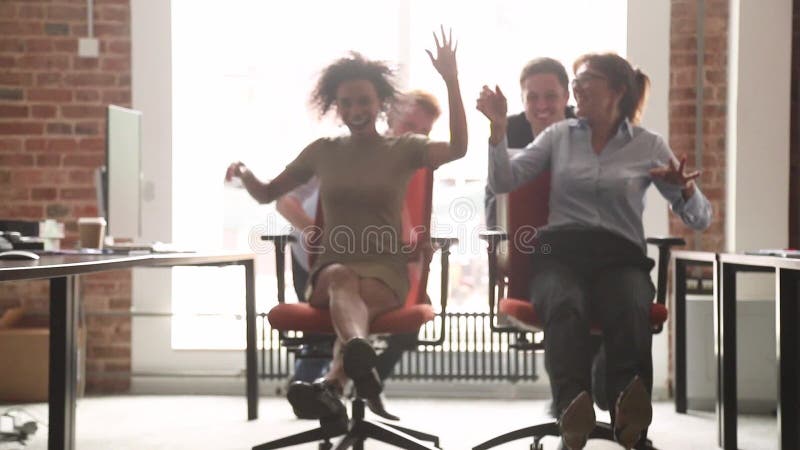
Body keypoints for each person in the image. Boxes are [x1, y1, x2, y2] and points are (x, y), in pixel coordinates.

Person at [225, 27, 466, 429]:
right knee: (340, 277)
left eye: (365, 101)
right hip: (330, 269)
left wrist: (451, 79)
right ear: (337, 107)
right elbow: (268, 194)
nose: (357, 109)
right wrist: (244, 172)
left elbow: (458, 147)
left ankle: (335, 383)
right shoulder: (323, 151)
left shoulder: (404, 150)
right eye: (348, 103)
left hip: (385, 272)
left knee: (353, 298)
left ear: (380, 103)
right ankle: (357, 357)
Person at [477, 52, 711, 450]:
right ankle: (572, 408)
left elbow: (700, 219)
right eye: (576, 81)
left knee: (631, 300)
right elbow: (503, 180)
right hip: (560, 250)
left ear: (617, 91)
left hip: (620, 254)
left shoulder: (648, 145)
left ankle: (627, 409)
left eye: (586, 80)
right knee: (563, 300)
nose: (577, 88)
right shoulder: (559, 136)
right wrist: (498, 130)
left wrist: (686, 191)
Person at [276, 90, 442, 420]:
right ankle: (341, 382)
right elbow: (283, 199)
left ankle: (336, 384)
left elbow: (408, 234)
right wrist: (314, 230)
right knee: (343, 303)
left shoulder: (410, 163)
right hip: (319, 259)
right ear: (388, 113)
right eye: (410, 124)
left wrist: (417, 254)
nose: (415, 135)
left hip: (375, 269)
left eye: (424, 132)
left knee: (360, 311)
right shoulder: (337, 153)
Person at [484, 57, 576, 230]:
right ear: (522, 100)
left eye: (550, 96)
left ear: (566, 97)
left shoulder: (582, 130)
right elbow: (495, 195)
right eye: (532, 97)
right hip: (519, 233)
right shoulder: (507, 129)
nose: (542, 106)